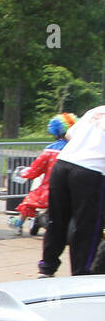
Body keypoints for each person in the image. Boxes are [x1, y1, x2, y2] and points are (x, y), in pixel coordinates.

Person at [39, 105, 105, 277]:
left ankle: (47, 267)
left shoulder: (96, 110)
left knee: (57, 220)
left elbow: (70, 134)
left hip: (63, 165)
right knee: (87, 226)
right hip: (91, 170)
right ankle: (81, 273)